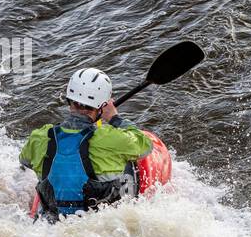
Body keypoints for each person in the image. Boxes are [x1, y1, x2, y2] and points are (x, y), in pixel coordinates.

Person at [19, 67, 153, 219]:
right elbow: (145, 145)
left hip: (53, 221)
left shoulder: (40, 136)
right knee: (128, 160)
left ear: (69, 101)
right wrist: (114, 118)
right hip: (97, 224)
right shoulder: (110, 138)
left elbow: (25, 161)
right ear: (103, 106)